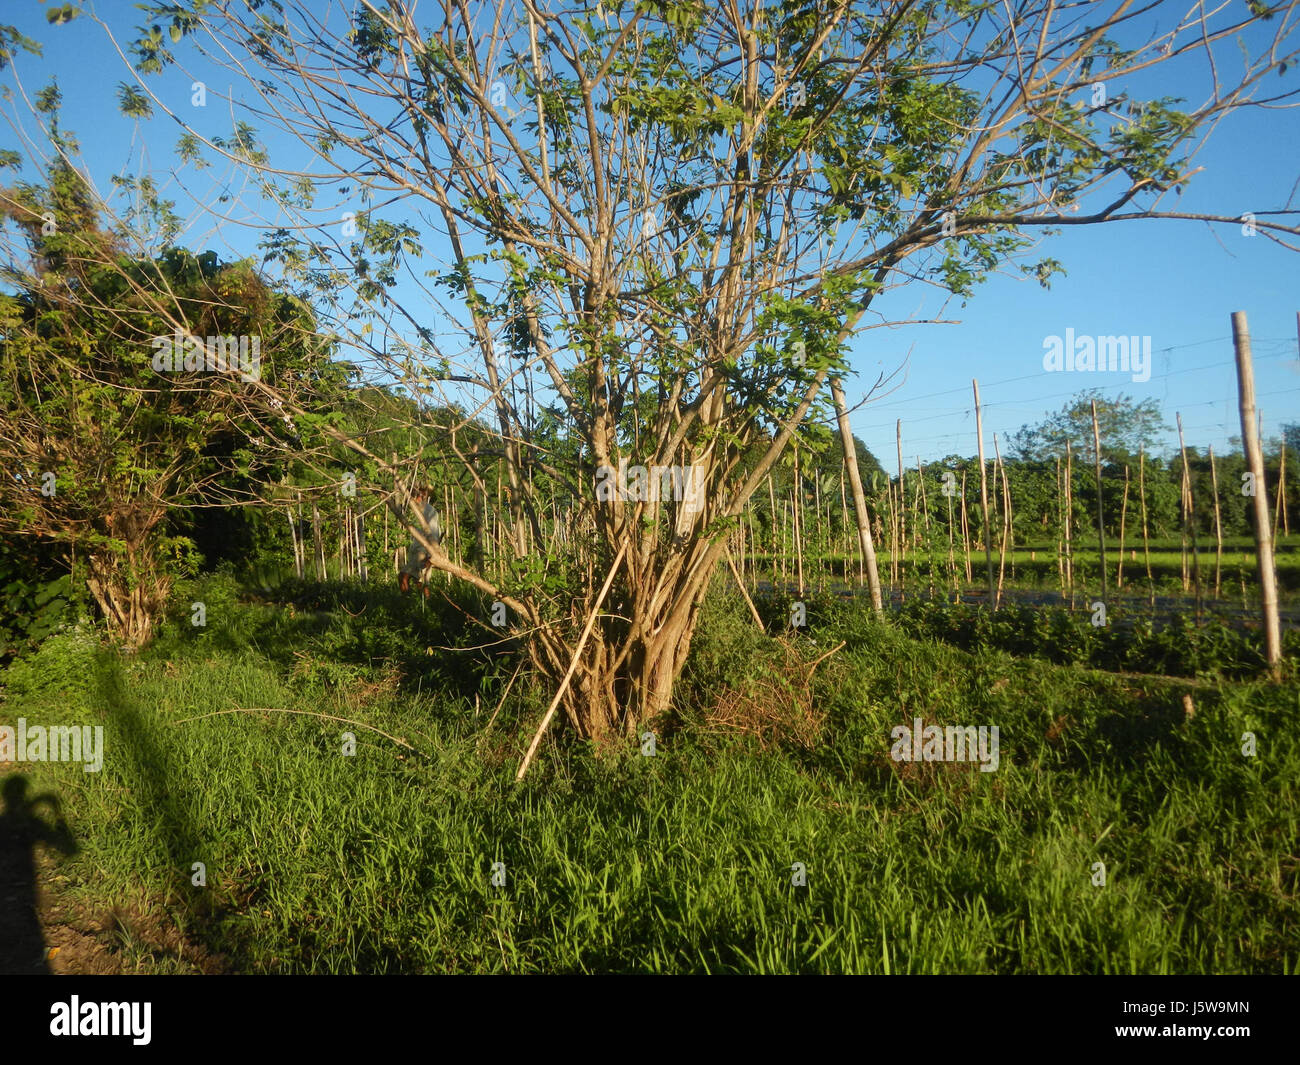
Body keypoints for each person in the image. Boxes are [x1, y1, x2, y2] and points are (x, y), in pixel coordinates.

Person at [397, 484, 443, 596]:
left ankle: (409, 604)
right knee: (419, 582)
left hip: (423, 550)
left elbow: (434, 533)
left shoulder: (429, 511)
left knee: (404, 577)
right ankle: (420, 607)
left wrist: (431, 554)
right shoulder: (413, 511)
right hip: (415, 549)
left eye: (422, 492)